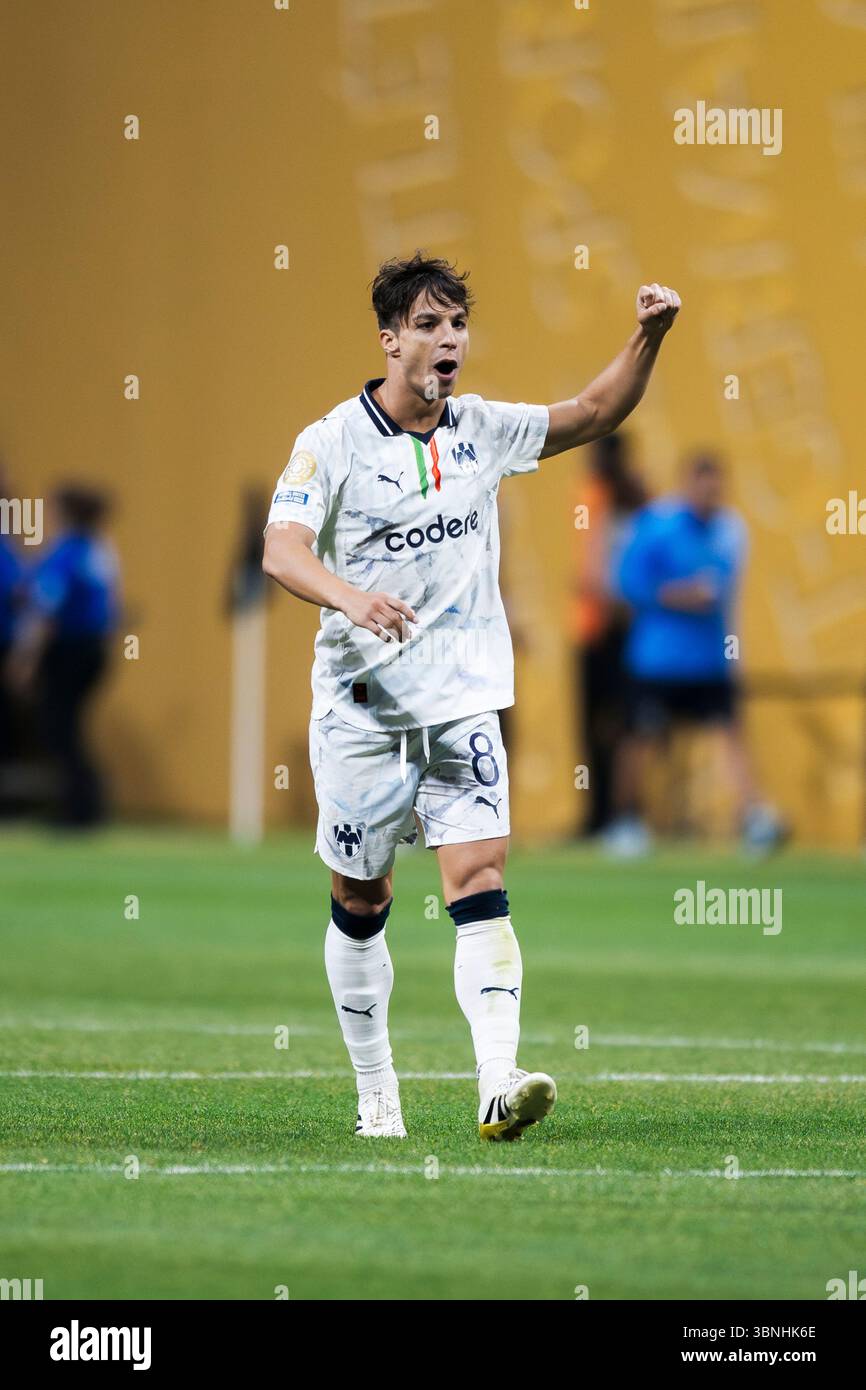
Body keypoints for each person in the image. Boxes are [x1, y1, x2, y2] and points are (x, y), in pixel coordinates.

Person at [262, 251, 681, 1140]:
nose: (448, 339)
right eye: (427, 324)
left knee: (480, 880)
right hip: (362, 712)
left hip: (462, 706)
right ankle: (378, 1094)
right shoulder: (330, 441)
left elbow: (596, 411)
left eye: (457, 324)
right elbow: (283, 550)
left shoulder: (482, 430)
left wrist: (647, 336)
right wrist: (350, 596)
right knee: (361, 901)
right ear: (389, 340)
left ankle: (497, 1082)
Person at [612, 453, 784, 854]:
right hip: (657, 661)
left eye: (716, 487)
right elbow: (627, 585)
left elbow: (728, 598)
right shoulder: (655, 525)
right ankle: (625, 820)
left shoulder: (730, 531)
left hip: (709, 660)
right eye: (702, 486)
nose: (710, 494)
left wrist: (735, 654)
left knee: (732, 736)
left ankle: (751, 819)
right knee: (641, 740)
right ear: (686, 483)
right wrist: (680, 594)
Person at [9, 486, 119, 828]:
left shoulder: (66, 551)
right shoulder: (100, 549)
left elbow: (46, 608)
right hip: (95, 649)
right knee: (68, 728)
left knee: (59, 728)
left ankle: (78, 809)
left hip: (69, 651)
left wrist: (25, 659)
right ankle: (85, 805)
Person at [570, 432, 647, 837]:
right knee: (619, 725)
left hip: (602, 626)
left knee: (602, 726)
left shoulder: (602, 494)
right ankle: (613, 814)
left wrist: (598, 592)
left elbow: (594, 567)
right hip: (618, 625)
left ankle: (606, 815)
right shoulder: (636, 498)